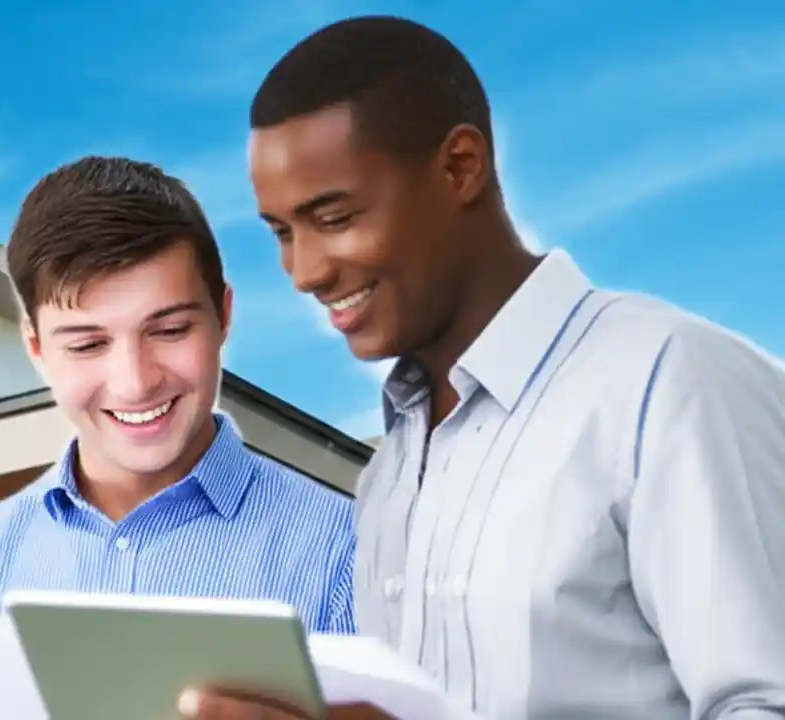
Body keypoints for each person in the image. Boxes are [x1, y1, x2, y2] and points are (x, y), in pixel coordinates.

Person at [180, 14, 785, 720]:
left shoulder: (671, 383)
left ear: (460, 167)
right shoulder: (391, 472)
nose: (305, 271)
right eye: (283, 232)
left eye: (335, 217)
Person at [0, 155, 358, 635]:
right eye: (88, 344)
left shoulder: (348, 553)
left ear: (223, 317)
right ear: (35, 346)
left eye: (171, 330)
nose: (135, 383)